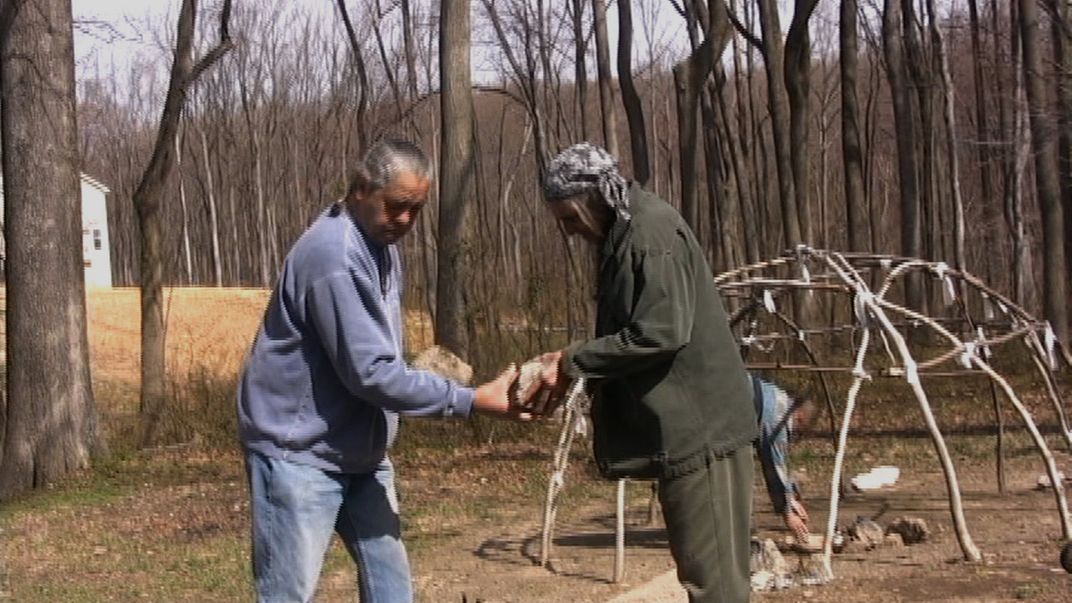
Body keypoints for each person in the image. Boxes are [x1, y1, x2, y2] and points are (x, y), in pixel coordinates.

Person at [237, 139, 527, 603]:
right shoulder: (333, 256)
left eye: (417, 209)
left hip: (361, 455)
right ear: (360, 190)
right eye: (398, 206)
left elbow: (380, 358)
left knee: (392, 588)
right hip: (298, 455)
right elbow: (370, 373)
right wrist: (471, 401)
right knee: (287, 595)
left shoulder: (381, 245)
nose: (407, 220)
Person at [531, 143, 759, 603]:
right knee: (709, 576)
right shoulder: (624, 231)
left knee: (714, 583)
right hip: (687, 432)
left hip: (703, 433)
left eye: (571, 218)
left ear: (594, 198)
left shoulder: (649, 235)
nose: (569, 231)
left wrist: (573, 360)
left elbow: (661, 332)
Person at [750, 374, 811, 542]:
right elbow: (774, 464)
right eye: (800, 429)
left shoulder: (779, 398)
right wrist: (787, 514)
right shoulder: (778, 419)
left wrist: (791, 497)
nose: (795, 434)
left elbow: (782, 459)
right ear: (799, 416)